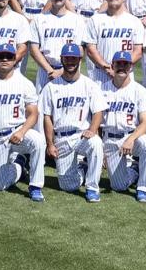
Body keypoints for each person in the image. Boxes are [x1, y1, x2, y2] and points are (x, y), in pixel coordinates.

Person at [0, 43, 46, 201]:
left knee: (39, 141)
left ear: (15, 60)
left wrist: (21, 132)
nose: (5, 59)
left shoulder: (24, 83)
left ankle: (35, 186)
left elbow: (33, 114)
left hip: (18, 132)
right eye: (1, 56)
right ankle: (19, 163)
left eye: (9, 56)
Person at [40, 43, 106, 202]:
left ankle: (92, 188)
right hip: (61, 138)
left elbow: (98, 112)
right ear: (62, 59)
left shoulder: (89, 85)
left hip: (81, 135)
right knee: (68, 186)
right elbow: (47, 117)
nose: (70, 62)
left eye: (74, 59)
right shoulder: (50, 87)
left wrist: (92, 129)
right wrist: (50, 143)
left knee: (96, 143)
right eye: (67, 58)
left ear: (80, 60)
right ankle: (83, 168)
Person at [99, 51, 146, 202]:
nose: (122, 67)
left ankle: (143, 188)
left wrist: (131, 139)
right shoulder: (101, 90)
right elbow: (96, 122)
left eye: (126, 64)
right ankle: (135, 171)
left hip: (133, 136)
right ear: (112, 66)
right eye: (119, 64)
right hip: (110, 139)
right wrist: (100, 149)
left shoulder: (140, 91)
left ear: (131, 67)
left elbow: (145, 122)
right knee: (118, 186)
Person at [28, 0, 90, 89]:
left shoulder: (77, 20)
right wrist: (50, 70)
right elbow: (34, 50)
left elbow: (81, 50)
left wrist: (62, 71)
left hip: (71, 70)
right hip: (45, 71)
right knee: (43, 105)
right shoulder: (38, 19)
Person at [84, 0, 145, 86]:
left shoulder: (134, 21)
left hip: (126, 74)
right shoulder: (95, 20)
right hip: (101, 74)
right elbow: (90, 50)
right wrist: (107, 68)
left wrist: (121, 68)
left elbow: (138, 51)